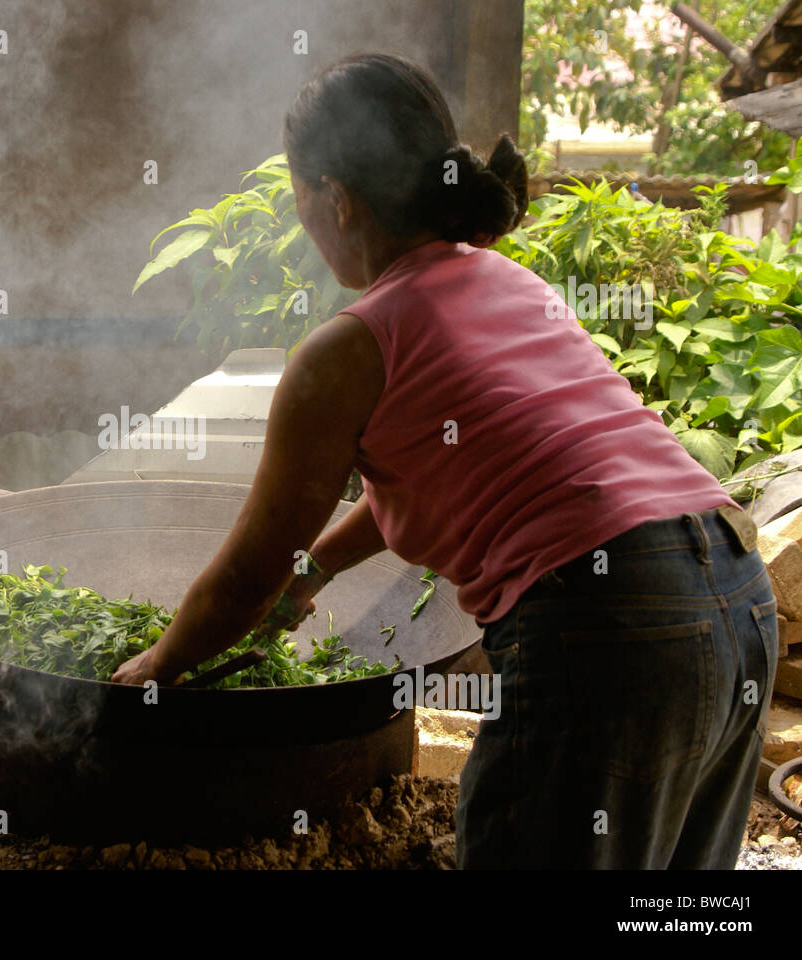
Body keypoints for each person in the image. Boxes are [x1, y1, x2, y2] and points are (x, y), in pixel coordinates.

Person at [112, 52, 778, 869]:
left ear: (336, 201)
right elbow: (455, 475)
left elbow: (252, 567)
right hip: (734, 594)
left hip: (605, 631)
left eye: (299, 204)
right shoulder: (506, 281)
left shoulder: (347, 350)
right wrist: (317, 569)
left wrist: (158, 664)